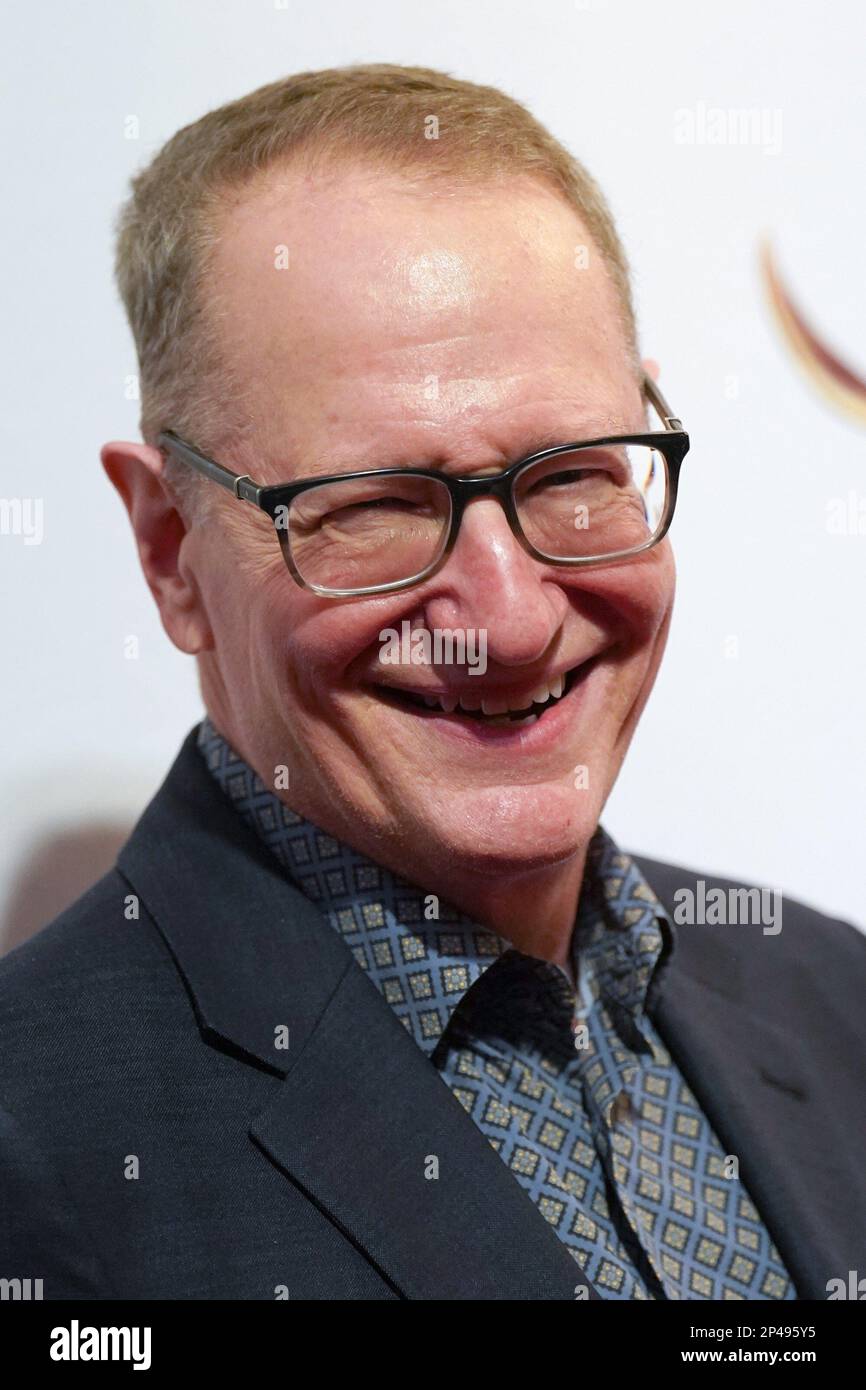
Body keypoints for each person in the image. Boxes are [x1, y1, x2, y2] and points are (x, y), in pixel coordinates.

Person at [1, 64, 863, 1301]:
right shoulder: (36, 1151)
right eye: (374, 508)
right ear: (169, 548)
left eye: (569, 473)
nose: (506, 622)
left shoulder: (829, 993)